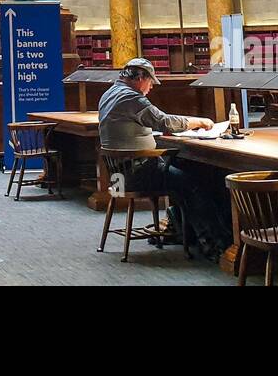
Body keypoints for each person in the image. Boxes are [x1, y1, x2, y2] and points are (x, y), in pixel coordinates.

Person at [97, 58, 232, 259]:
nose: (151, 87)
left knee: (184, 171)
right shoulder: (131, 98)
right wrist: (199, 122)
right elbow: (164, 122)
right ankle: (216, 244)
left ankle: (185, 232)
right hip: (138, 173)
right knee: (194, 183)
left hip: (119, 175)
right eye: (150, 82)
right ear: (140, 78)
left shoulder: (109, 94)